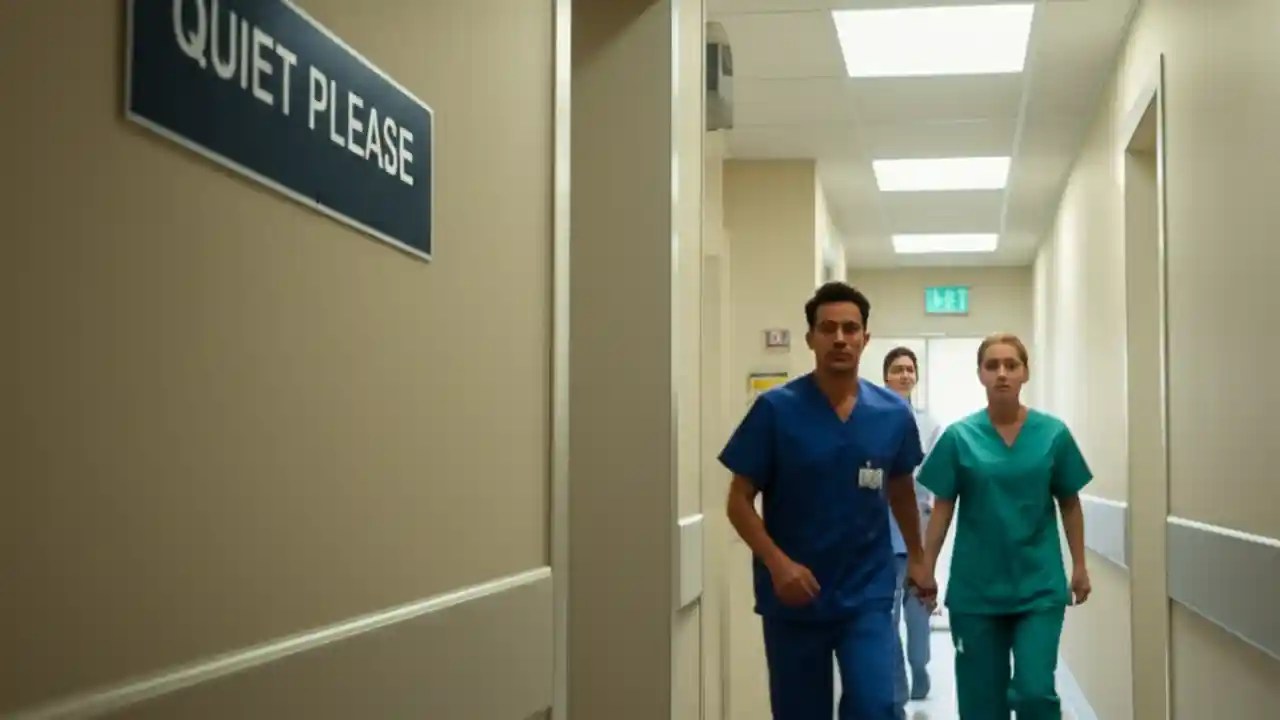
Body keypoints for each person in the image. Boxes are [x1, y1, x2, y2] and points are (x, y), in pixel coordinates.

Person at [720, 282, 938, 720]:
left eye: (850, 329)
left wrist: (918, 557)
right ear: (811, 338)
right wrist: (778, 565)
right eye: (828, 328)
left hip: (868, 590)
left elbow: (900, 490)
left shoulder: (891, 414)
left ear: (865, 338)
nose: (840, 338)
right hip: (795, 594)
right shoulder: (776, 411)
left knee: (876, 705)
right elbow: (739, 501)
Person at [917, 333, 1093, 720]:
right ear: (979, 374)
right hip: (976, 591)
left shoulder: (1053, 434)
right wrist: (925, 568)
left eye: (1011, 365)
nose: (1001, 373)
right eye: (992, 365)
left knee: (1035, 693)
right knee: (982, 705)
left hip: (1039, 587)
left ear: (1025, 372)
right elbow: (942, 507)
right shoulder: (959, 437)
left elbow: (1069, 501)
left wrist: (1079, 566)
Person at [881, 347, 942, 708]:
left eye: (909, 370)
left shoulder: (928, 422)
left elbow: (931, 481)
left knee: (918, 617)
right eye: (897, 369)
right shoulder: (872, 416)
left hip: (917, 536)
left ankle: (919, 669)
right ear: (886, 376)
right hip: (882, 539)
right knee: (886, 622)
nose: (904, 375)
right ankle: (898, 687)